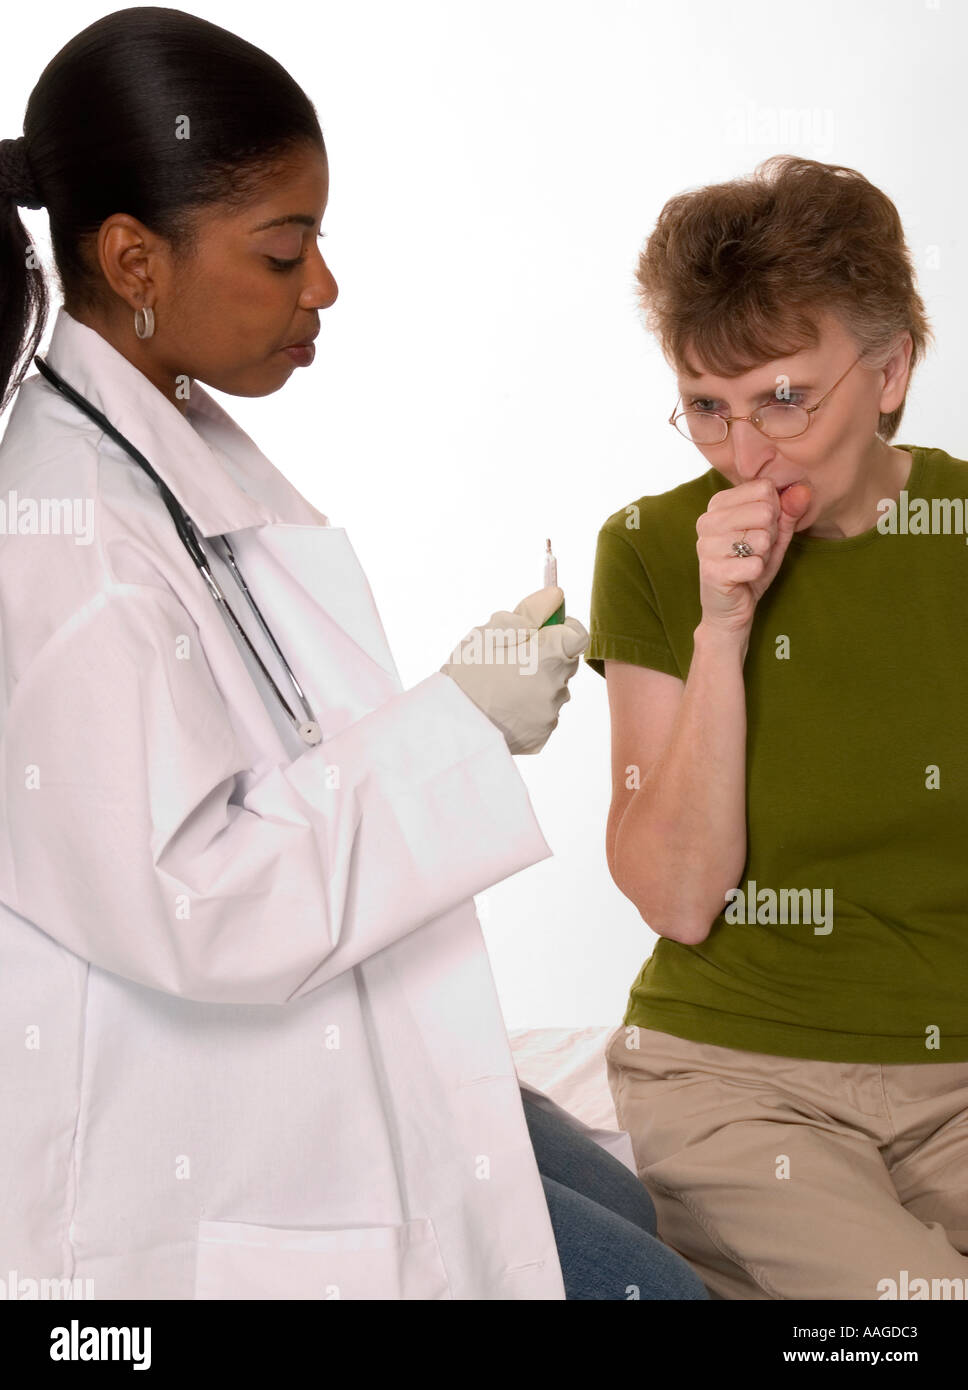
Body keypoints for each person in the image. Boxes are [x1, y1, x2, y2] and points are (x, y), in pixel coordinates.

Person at [0, 7, 708, 1301]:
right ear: (133, 259)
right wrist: (464, 720)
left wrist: (464, 699)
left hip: (317, 1032)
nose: (323, 286)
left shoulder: (166, 438)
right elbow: (199, 899)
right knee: (656, 1291)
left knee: (624, 1197)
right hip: (204, 1142)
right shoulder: (71, 542)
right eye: (285, 250)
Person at [585, 155, 968, 1300]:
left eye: (783, 399)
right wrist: (721, 632)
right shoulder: (653, 549)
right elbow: (675, 894)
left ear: (889, 368)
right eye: (707, 407)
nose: (743, 456)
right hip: (737, 1080)